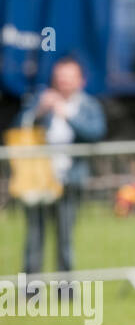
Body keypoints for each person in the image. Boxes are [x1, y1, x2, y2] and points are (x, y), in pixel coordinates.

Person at [15, 56, 106, 277]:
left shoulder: (88, 105)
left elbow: (96, 133)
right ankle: (30, 291)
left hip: (70, 179)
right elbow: (17, 128)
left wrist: (69, 115)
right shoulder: (40, 100)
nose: (64, 82)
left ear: (81, 80)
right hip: (39, 180)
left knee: (65, 237)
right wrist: (38, 112)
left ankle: (64, 291)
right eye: (60, 77)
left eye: (69, 77)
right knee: (34, 236)